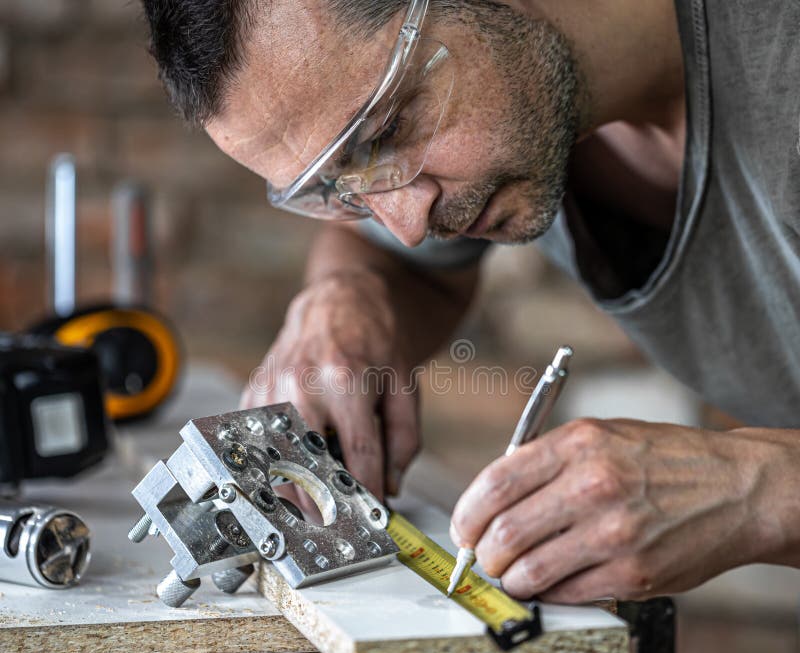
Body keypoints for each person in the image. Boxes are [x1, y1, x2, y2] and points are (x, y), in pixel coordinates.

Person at [139, 0, 800, 602]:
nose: (406, 222)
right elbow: (405, 262)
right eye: (341, 187)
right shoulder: (514, 77)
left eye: (388, 129)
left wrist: (758, 492)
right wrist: (349, 295)